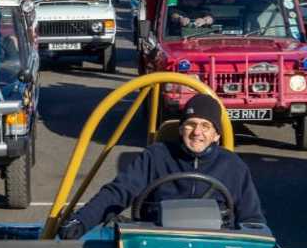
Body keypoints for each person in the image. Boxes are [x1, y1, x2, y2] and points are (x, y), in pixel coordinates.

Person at [63, 92, 265, 234]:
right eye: (190, 125)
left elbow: (252, 218)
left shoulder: (233, 166)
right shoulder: (156, 156)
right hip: (156, 241)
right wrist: (81, 220)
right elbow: (118, 192)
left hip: (214, 246)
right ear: (180, 129)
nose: (197, 132)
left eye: (206, 126)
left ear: (216, 135)